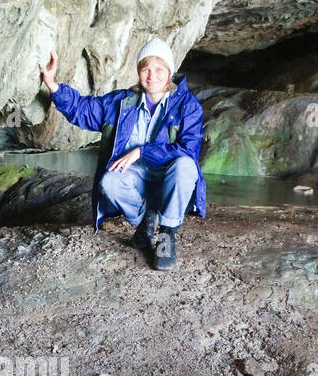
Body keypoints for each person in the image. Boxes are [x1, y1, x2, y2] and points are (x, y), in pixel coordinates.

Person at [39, 35, 206, 271]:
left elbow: (188, 151)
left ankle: (167, 233)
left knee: (186, 166)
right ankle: (145, 221)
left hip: (168, 175)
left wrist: (141, 151)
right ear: (139, 72)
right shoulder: (123, 101)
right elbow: (84, 110)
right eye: (146, 69)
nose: (152, 75)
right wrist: (53, 85)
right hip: (136, 176)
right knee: (109, 181)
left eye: (159, 69)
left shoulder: (187, 105)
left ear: (169, 72)